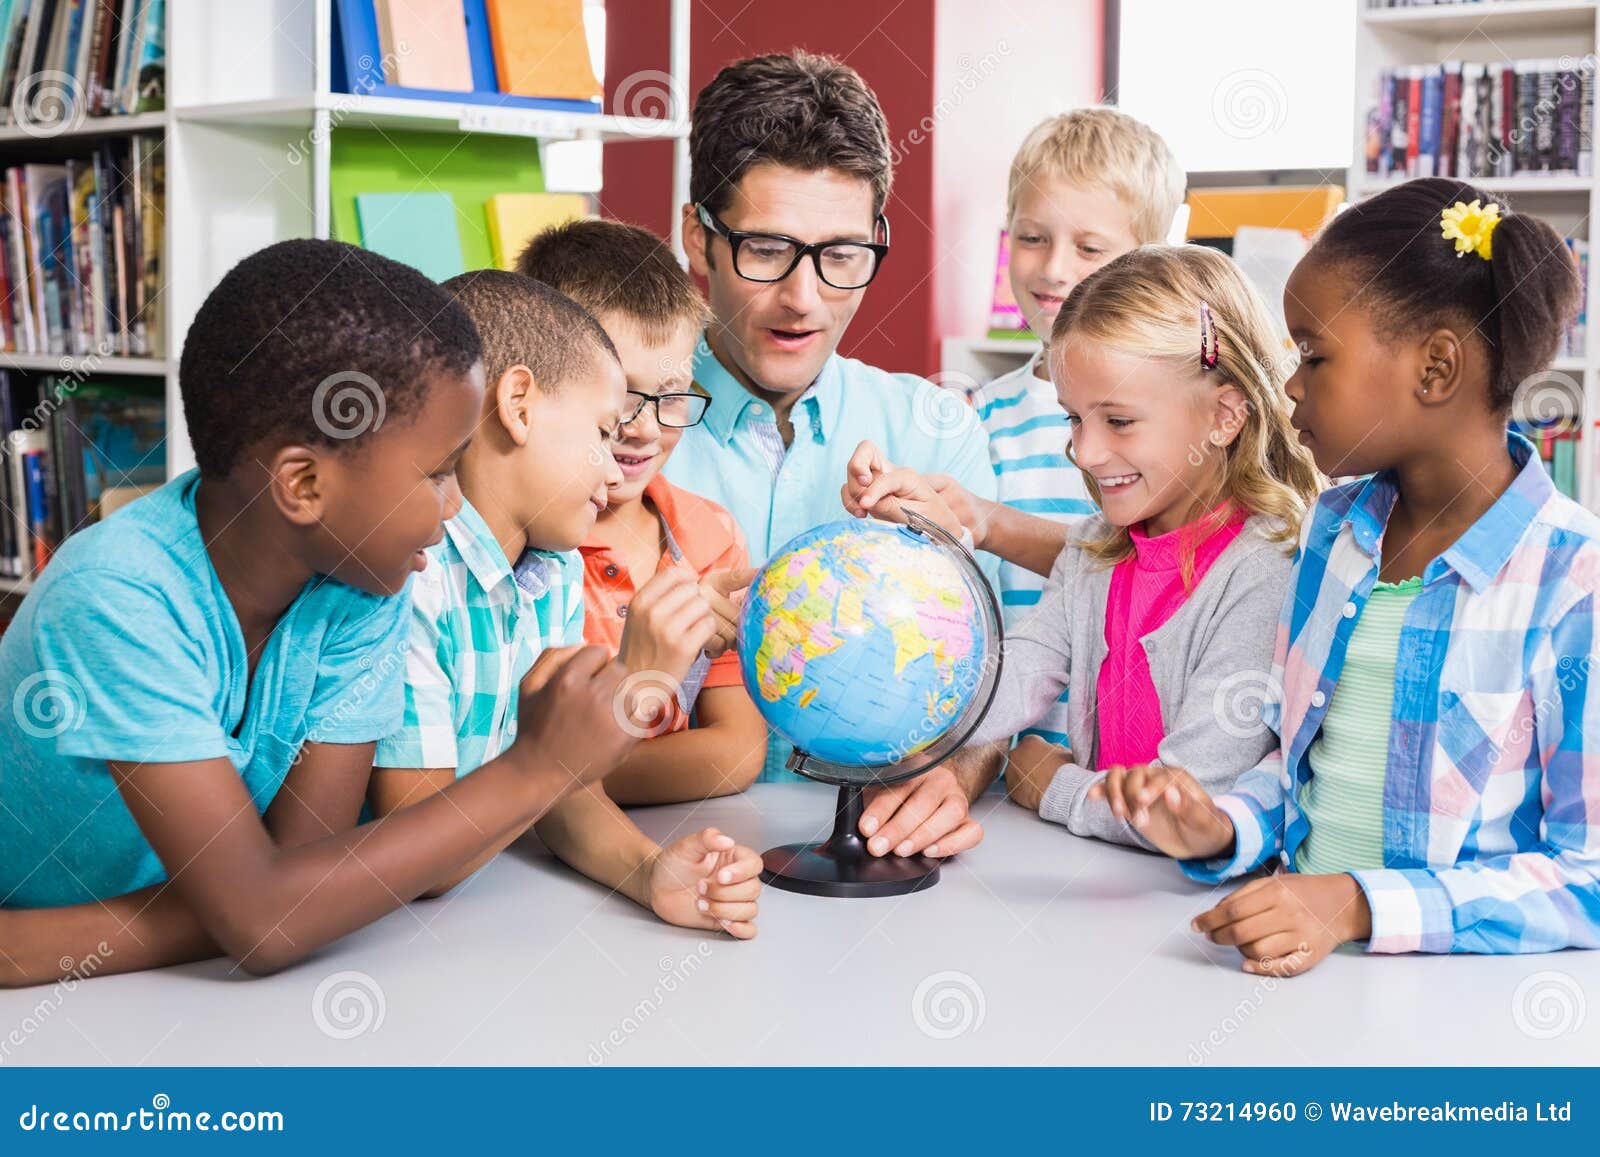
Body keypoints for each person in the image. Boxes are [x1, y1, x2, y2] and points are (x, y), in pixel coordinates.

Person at [1096, 179, 1599, 977]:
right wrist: (1224, 827)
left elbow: (1588, 877)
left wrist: (1357, 902)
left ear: (1435, 367)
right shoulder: (1333, 532)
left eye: (1314, 354)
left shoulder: (1575, 580)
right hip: (1301, 973)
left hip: (1455, 1009)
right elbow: (1303, 764)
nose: (1292, 385)